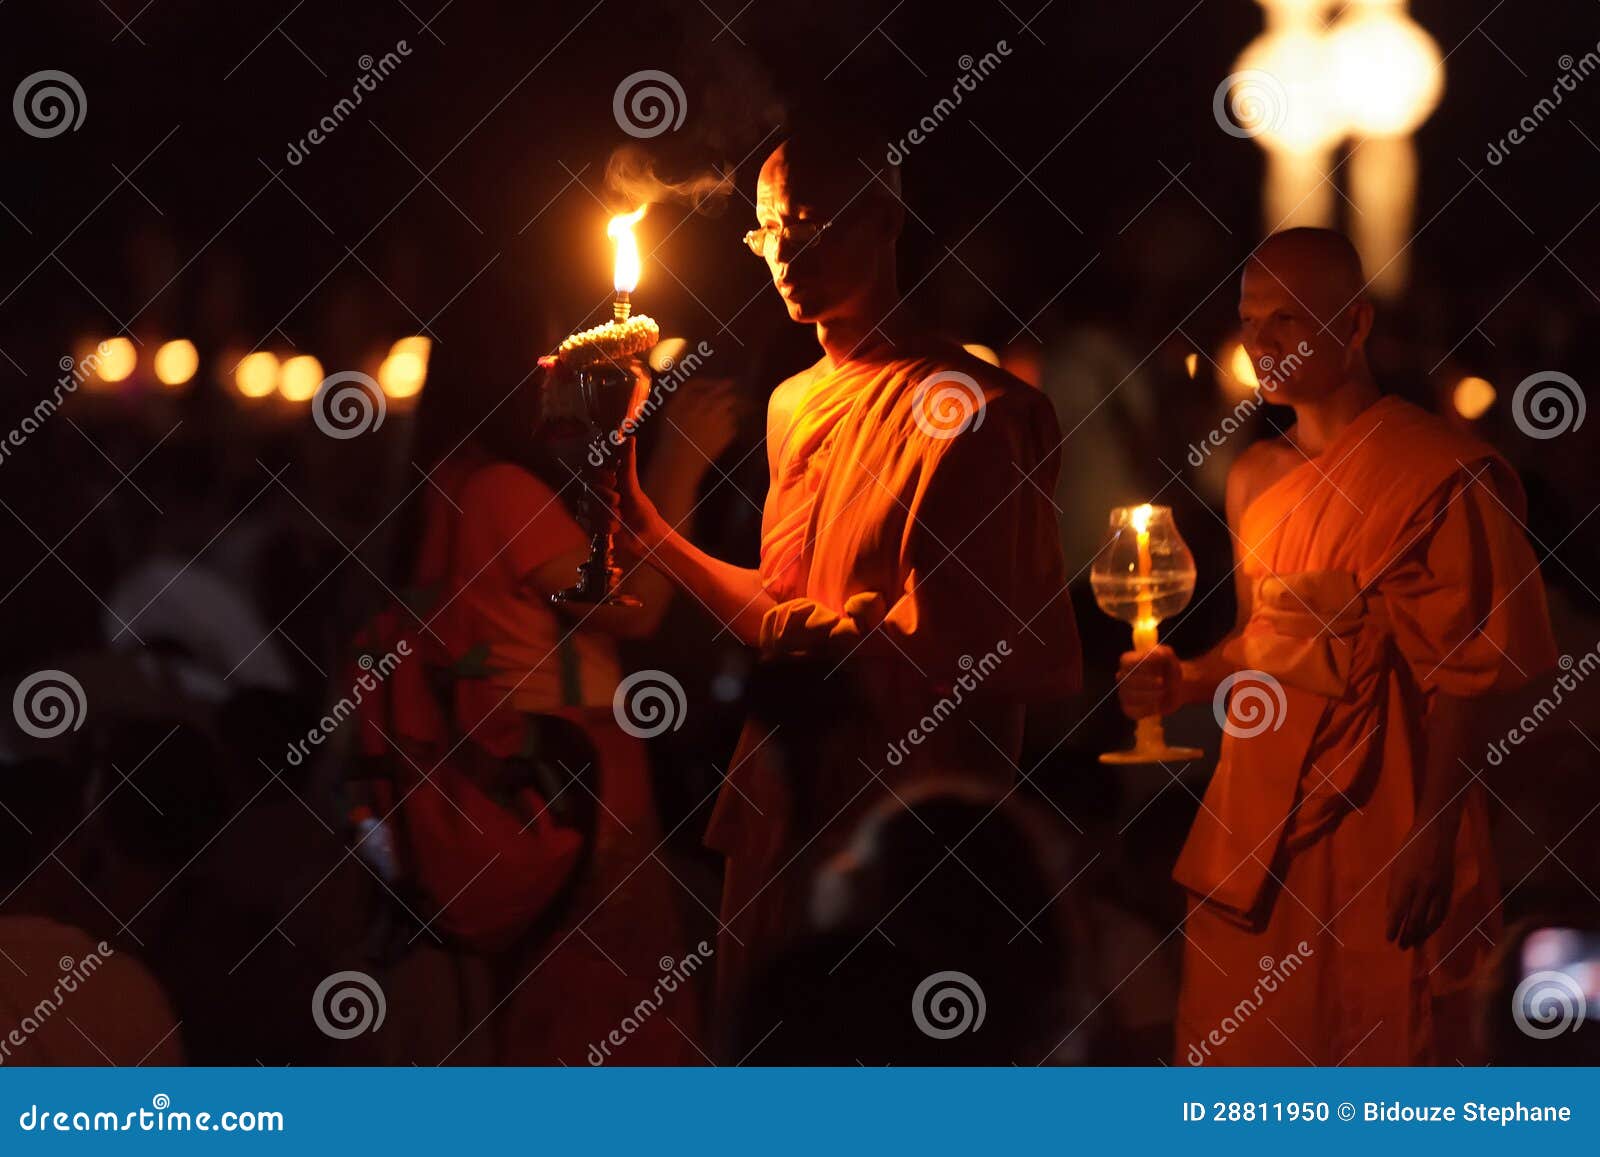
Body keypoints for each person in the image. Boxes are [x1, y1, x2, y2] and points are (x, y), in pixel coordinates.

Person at [614, 120, 1082, 1027]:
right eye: (768, 231)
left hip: (908, 820)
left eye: (813, 224)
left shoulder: (974, 410)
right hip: (789, 784)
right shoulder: (795, 402)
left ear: (885, 221)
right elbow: (780, 610)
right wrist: (643, 520)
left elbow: (1003, 656)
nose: (787, 253)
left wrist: (839, 647)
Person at [1115, 228, 1558, 1065]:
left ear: (1353, 326)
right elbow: (1267, 638)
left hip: (1388, 810)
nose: (1263, 343)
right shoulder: (1255, 478)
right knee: (1247, 1041)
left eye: (1288, 319)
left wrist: (1432, 832)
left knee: (1383, 1030)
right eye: (1251, 320)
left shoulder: (1430, 470)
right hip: (1262, 821)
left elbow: (1464, 673)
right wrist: (1186, 676)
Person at [362, 367, 737, 1064]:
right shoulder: (501, 488)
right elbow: (634, 606)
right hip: (574, 776)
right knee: (609, 1002)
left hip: (520, 776)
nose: (565, 373)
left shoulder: (444, 482)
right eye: (548, 356)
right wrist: (681, 458)